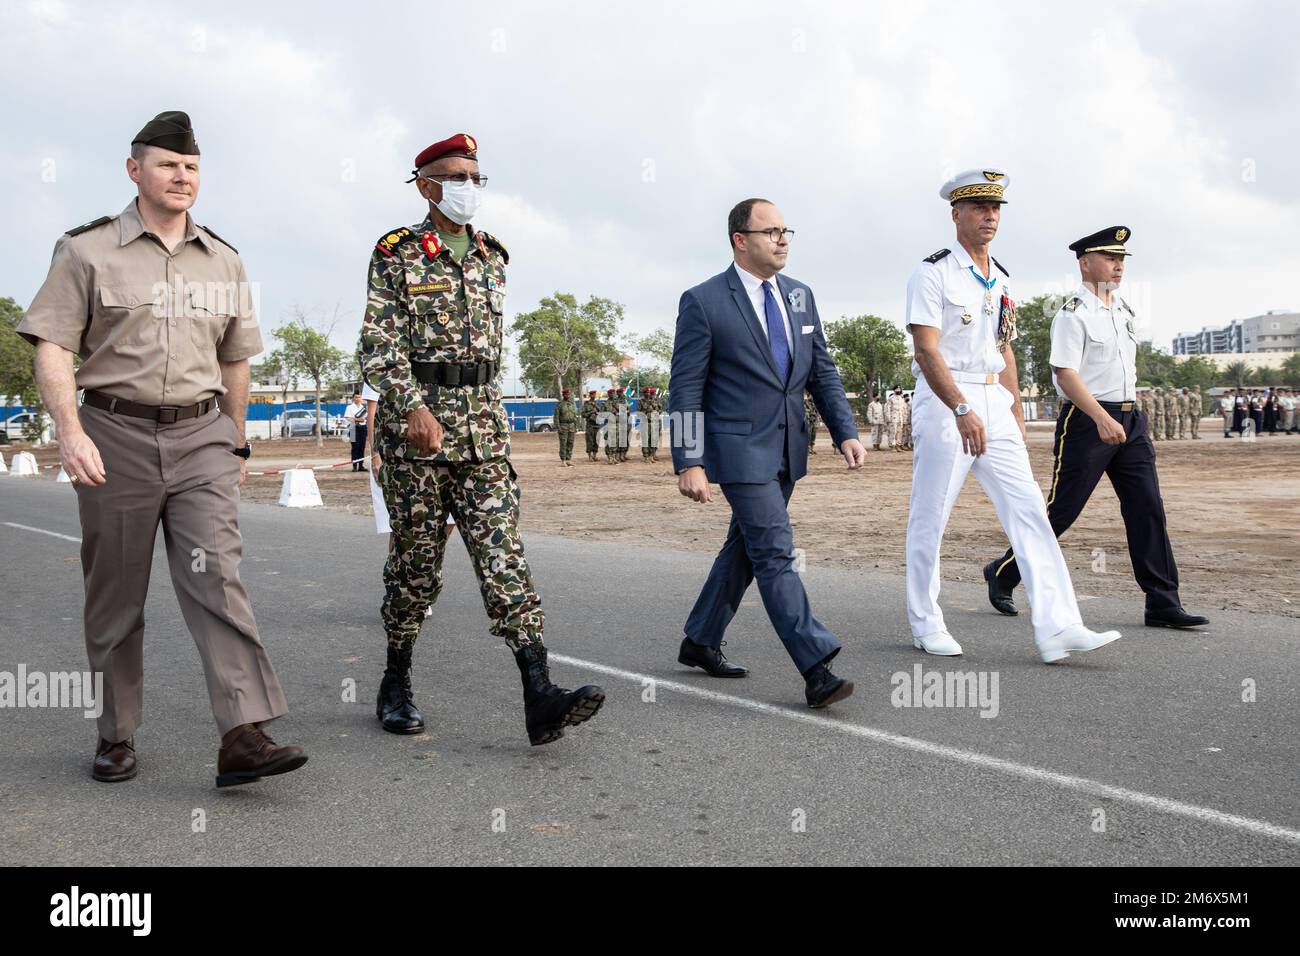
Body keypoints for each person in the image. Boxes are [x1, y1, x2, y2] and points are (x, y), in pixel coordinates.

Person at [19, 111, 307, 787]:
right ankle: (115, 734)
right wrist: (69, 430)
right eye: (169, 165)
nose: (183, 178)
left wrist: (235, 439)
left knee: (218, 581)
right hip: (114, 434)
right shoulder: (88, 251)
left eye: (193, 168)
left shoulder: (225, 259)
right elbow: (54, 344)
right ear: (135, 171)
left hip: (202, 436)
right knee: (117, 592)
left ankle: (243, 733)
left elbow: (236, 357)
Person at [358, 131, 604, 745]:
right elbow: (379, 345)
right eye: (456, 176)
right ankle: (396, 680)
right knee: (416, 568)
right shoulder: (398, 251)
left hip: (486, 435)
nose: (468, 187)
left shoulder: (495, 254)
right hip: (418, 438)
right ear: (425, 184)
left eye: (476, 176)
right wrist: (411, 408)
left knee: (505, 559)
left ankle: (539, 693)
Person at [904, 168, 1119, 662]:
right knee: (931, 516)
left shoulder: (999, 275)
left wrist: (1015, 408)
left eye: (996, 208)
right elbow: (926, 350)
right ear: (955, 213)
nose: (989, 216)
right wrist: (959, 406)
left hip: (994, 402)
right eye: (979, 207)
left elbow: (1004, 346)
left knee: (1028, 513)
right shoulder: (933, 272)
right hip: (946, 403)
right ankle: (925, 621)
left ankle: (1059, 627)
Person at [669, 197, 865, 707]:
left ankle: (701, 639)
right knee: (775, 551)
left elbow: (822, 369)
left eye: (786, 231)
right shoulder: (705, 300)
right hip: (737, 452)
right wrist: (690, 460)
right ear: (740, 239)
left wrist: (845, 430)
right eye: (770, 231)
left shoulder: (800, 297)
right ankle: (816, 665)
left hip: (788, 447)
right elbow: (685, 387)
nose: (782, 239)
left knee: (746, 549)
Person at [982, 226, 1208, 630]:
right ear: (1085, 263)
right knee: (1061, 511)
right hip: (1087, 421)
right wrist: (1101, 417)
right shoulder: (1073, 314)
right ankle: (1004, 572)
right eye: (1109, 258)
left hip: (1130, 420)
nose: (1118, 265)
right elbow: (1065, 374)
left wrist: (1123, 416)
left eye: (1121, 259)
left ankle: (1162, 601)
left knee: (1147, 508)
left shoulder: (1123, 311)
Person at [345, 390, 368, 470]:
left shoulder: (364, 408)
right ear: (353, 398)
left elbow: (366, 419)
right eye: (356, 397)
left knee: (362, 447)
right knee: (355, 447)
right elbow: (348, 418)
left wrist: (363, 420)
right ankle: (354, 466)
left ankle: (361, 466)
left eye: (359, 397)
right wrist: (358, 420)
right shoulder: (349, 407)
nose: (358, 398)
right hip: (353, 428)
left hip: (363, 428)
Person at [639, 385, 663, 461]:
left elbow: (659, 410)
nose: (648, 394)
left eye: (649, 392)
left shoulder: (654, 400)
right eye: (647, 392)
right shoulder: (641, 401)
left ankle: (651, 455)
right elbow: (639, 412)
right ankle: (646, 456)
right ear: (644, 393)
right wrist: (646, 415)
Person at [555, 386, 577, 466]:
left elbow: (575, 416)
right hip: (563, 426)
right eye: (566, 394)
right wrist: (558, 427)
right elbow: (556, 417)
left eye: (569, 394)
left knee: (570, 443)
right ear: (563, 395)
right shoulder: (560, 405)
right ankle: (563, 460)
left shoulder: (572, 404)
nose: (568, 396)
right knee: (563, 443)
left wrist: (576, 426)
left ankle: (568, 459)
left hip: (571, 426)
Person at [581, 389, 601, 460]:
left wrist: (596, 407)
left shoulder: (597, 403)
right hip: (590, 425)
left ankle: (595, 456)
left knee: (596, 441)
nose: (594, 396)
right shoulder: (586, 404)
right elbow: (583, 414)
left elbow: (601, 411)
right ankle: (590, 457)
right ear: (590, 395)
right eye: (592, 394)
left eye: (595, 394)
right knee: (590, 440)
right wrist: (591, 412)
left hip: (597, 424)